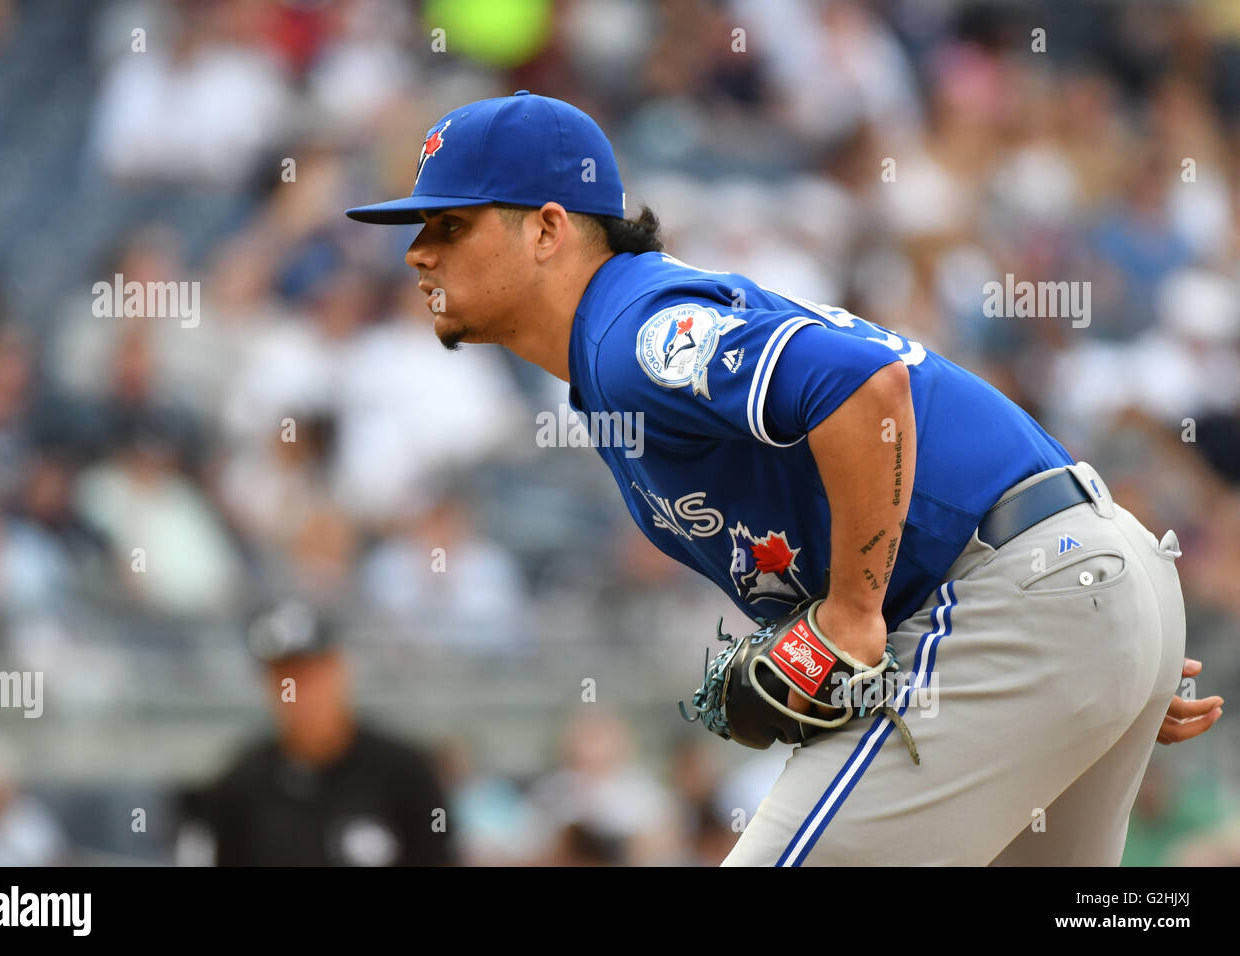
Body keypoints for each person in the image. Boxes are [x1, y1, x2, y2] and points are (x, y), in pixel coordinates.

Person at [344, 91, 1223, 866]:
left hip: (1019, 592)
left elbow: (862, 389)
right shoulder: (622, 341)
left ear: (546, 227)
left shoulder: (633, 339)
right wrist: (1104, 633)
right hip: (1073, 579)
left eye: (449, 224)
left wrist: (851, 612)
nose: (419, 253)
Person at [176, 599, 456, 866]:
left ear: (338, 669)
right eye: (285, 676)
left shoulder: (405, 773)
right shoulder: (241, 786)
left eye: (309, 674)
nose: (298, 692)